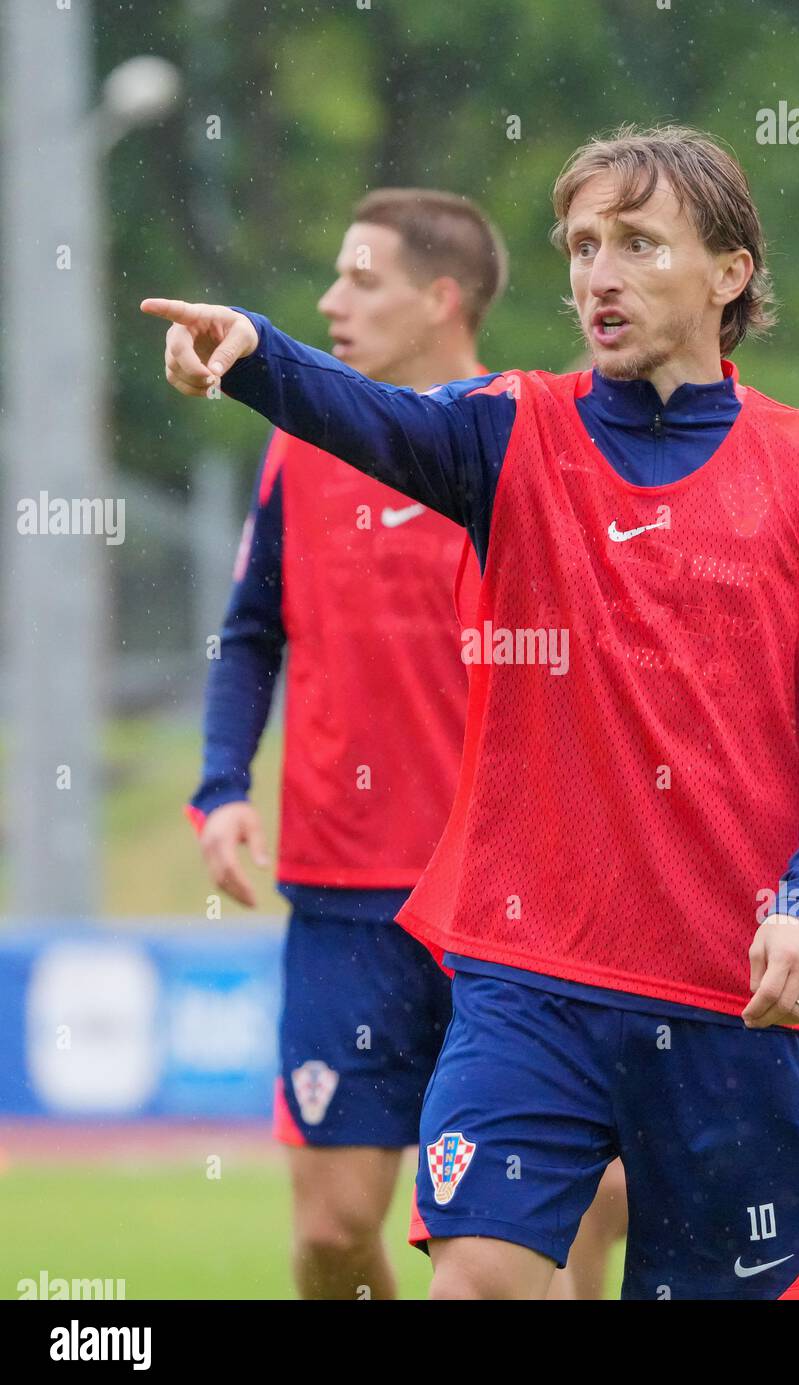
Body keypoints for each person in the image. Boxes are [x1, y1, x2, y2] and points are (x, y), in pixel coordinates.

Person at [143, 122, 799, 1300]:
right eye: (583, 244)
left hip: (725, 997)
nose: (598, 273)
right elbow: (366, 415)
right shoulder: (507, 429)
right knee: (483, 1279)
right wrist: (250, 354)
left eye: (639, 244)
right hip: (524, 977)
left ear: (731, 273)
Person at [187, 188, 505, 1298]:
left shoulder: (522, 448)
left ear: (443, 297)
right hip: (341, 895)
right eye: (331, 276)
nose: (329, 301)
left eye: (361, 279)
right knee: (331, 1233)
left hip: (501, 896)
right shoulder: (298, 453)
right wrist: (222, 784)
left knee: (538, 1234)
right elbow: (249, 631)